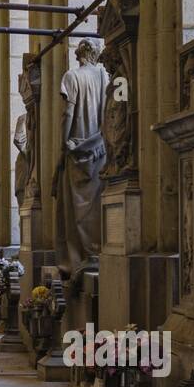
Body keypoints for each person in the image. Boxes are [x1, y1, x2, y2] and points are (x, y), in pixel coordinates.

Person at [54, 41, 109, 276]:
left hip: (76, 147)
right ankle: (95, 254)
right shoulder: (104, 76)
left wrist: (63, 145)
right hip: (98, 148)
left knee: (72, 210)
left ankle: (77, 262)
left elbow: (68, 112)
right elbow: (108, 110)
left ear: (79, 55)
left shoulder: (72, 76)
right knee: (94, 205)